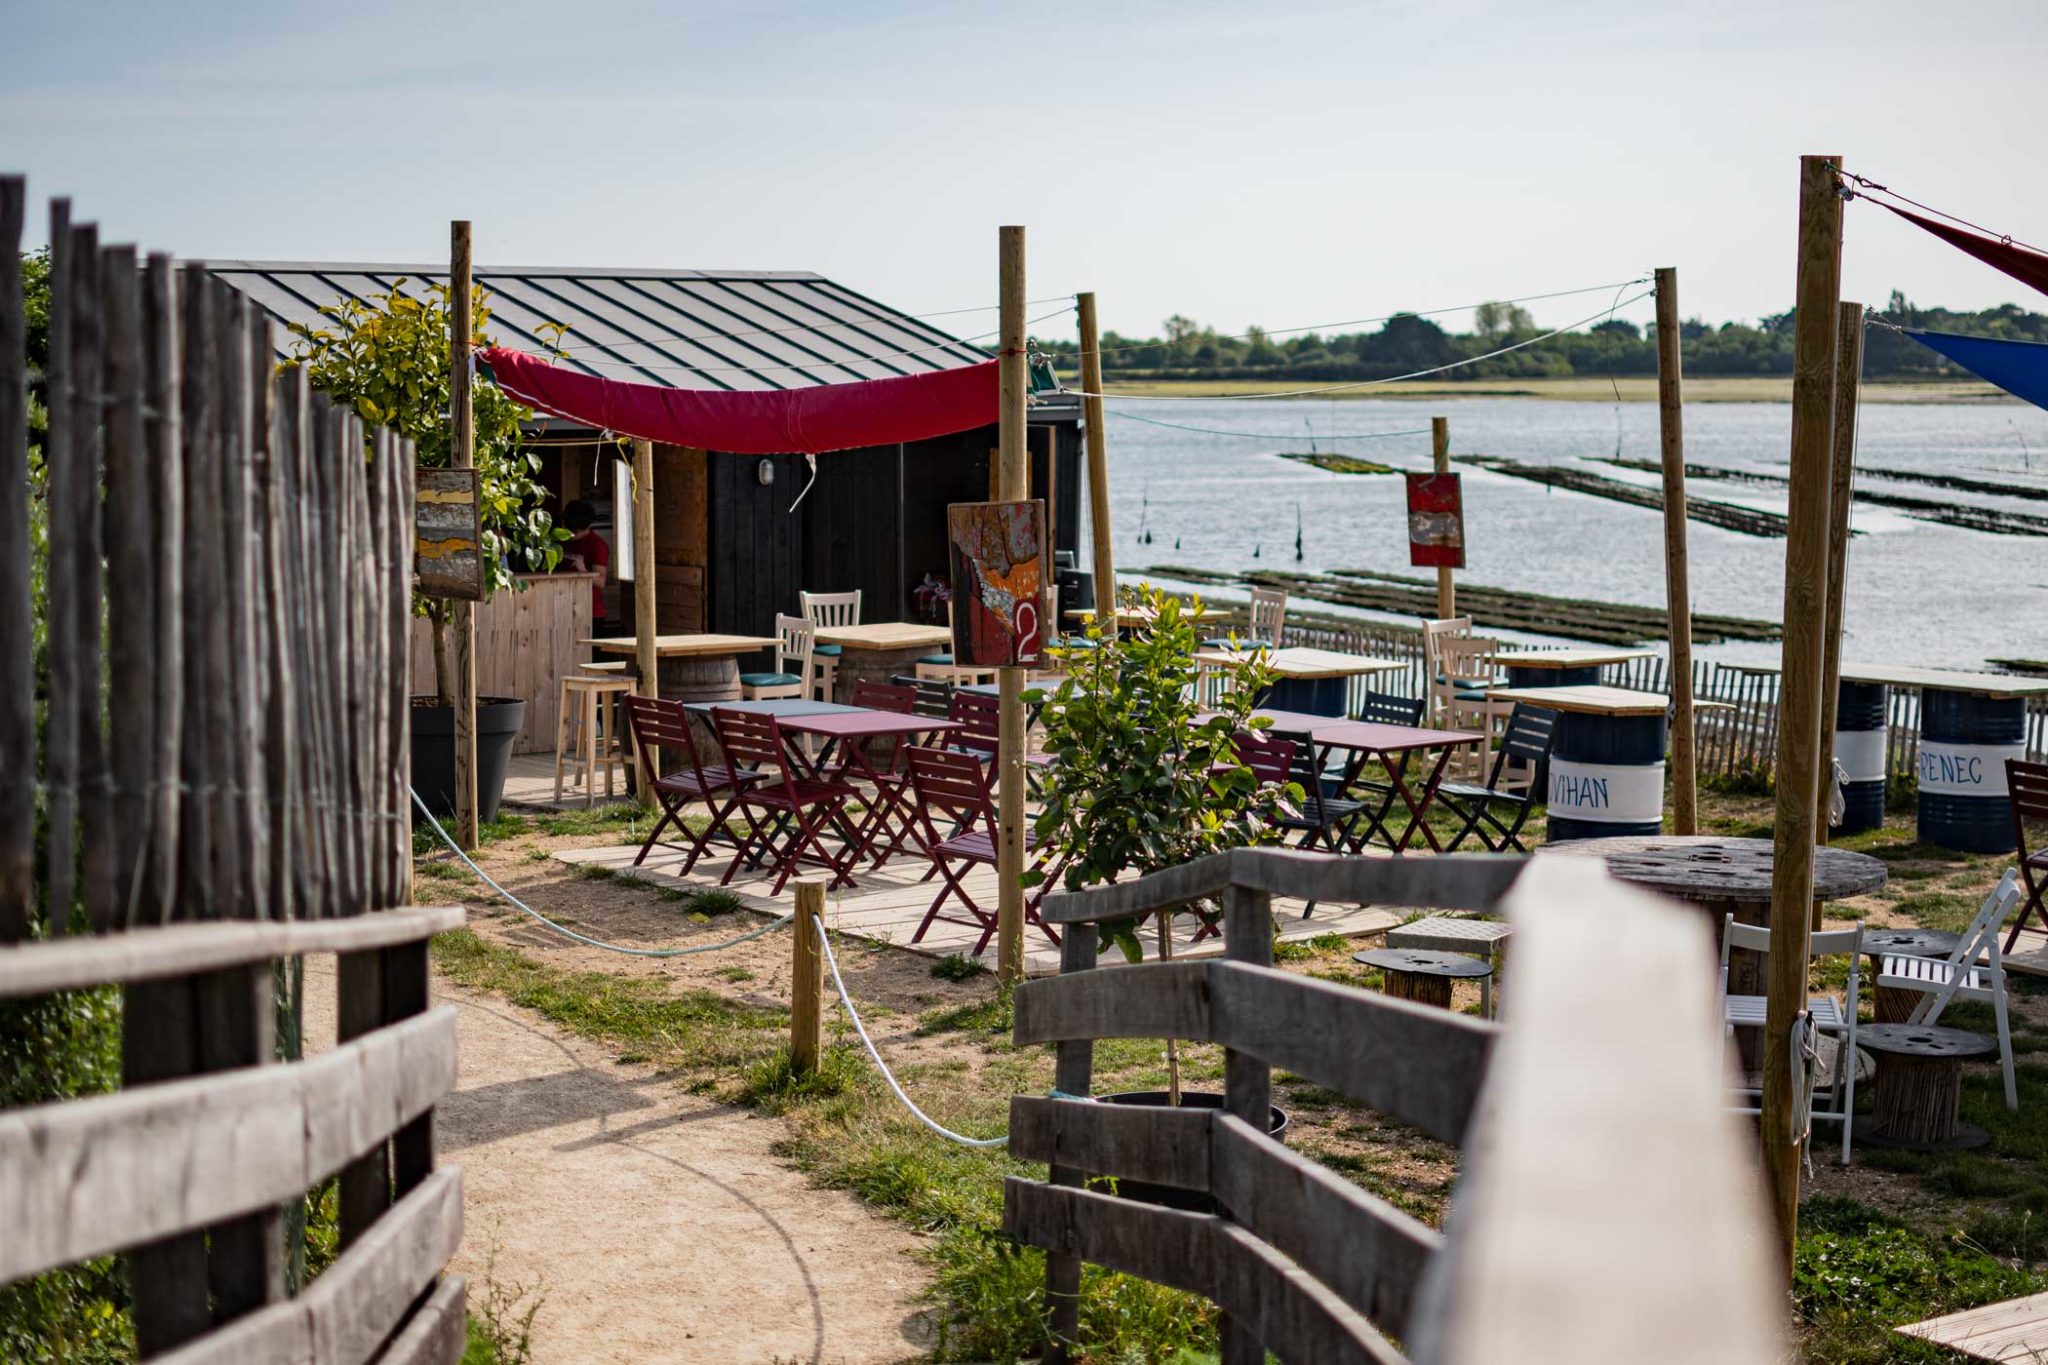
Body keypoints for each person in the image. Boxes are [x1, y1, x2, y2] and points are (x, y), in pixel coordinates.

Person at [560, 500, 610, 629]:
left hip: (590, 611)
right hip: (562, 607)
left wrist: (583, 571)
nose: (570, 535)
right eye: (568, 530)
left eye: (575, 532)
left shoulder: (597, 545)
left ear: (586, 527)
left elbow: (601, 581)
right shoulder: (561, 540)